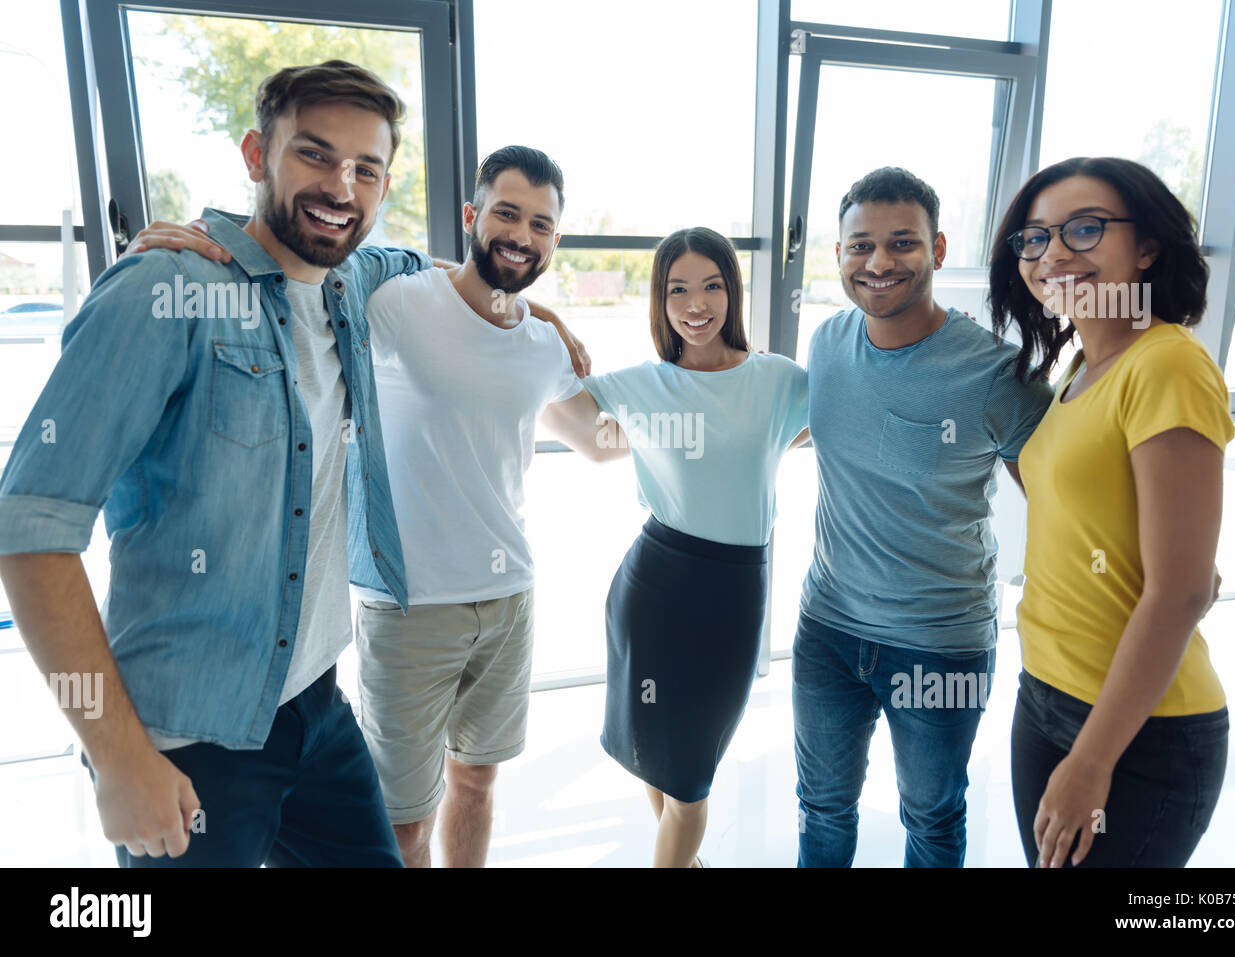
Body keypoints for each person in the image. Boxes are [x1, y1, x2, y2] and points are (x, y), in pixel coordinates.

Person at [0, 60, 430, 866]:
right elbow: (29, 530)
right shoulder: (164, 289)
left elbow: (431, 265)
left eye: (366, 168)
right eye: (314, 154)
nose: (341, 186)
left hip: (315, 709)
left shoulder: (349, 284)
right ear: (256, 153)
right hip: (187, 742)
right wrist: (119, 758)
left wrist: (527, 304)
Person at [130, 145, 608, 868]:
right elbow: (301, 265)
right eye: (507, 213)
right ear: (473, 216)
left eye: (541, 224)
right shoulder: (399, 303)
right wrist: (191, 253)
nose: (522, 234)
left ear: (555, 240)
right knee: (403, 825)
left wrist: (711, 409)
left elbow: (600, 439)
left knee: (477, 782)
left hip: (510, 599)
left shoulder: (543, 344)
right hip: (409, 606)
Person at [793, 167, 1055, 868]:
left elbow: (1064, 497)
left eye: (901, 243)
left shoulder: (997, 374)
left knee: (932, 819)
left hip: (941, 644)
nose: (878, 263)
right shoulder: (825, 345)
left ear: (937, 248)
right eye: (859, 246)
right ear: (840, 254)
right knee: (820, 808)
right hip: (827, 630)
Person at [988, 156, 1232, 868]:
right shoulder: (1080, 369)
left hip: (1138, 731)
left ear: (1148, 246)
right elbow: (1098, 515)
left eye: (1084, 229)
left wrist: (1093, 761)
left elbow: (1182, 589)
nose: (1054, 253)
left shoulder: (1167, 364)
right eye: (1034, 239)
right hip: (1047, 694)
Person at [545, 227, 810, 867]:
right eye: (678, 289)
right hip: (654, 587)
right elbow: (561, 414)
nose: (696, 304)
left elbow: (847, 411)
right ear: (660, 301)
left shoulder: (776, 380)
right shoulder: (645, 384)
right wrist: (545, 314)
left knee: (691, 778)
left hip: (735, 594)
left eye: (712, 285)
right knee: (660, 758)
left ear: (733, 292)